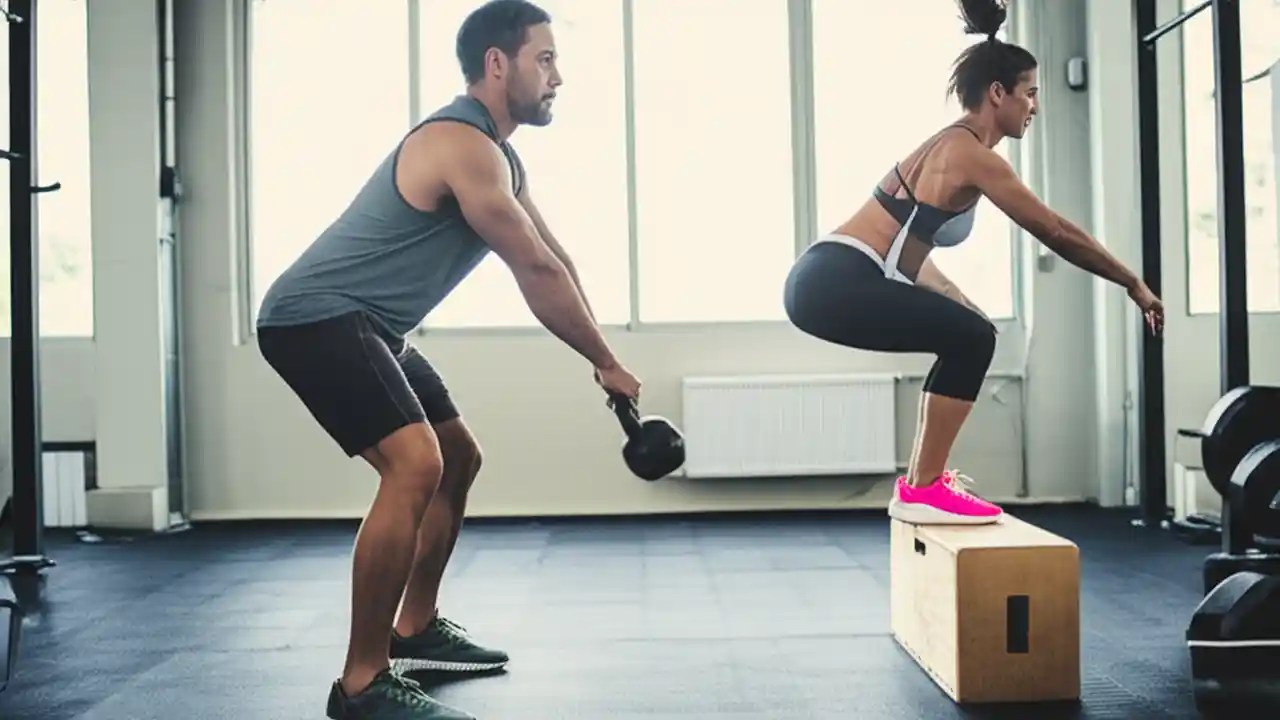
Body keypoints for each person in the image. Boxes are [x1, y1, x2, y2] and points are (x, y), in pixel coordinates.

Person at [255, 2, 641, 718]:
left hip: (373, 326)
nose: (558, 76)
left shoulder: (500, 155)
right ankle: (362, 683)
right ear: (498, 64)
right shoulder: (459, 144)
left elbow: (554, 258)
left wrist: (602, 359)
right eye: (545, 59)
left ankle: (414, 625)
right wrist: (606, 361)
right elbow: (533, 270)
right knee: (416, 463)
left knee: (457, 457)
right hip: (316, 317)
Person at [783, 0, 1164, 527]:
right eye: (1030, 94)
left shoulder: (947, 146)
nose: (1035, 106)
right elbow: (1054, 230)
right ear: (997, 94)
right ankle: (924, 488)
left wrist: (958, 302)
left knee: (969, 330)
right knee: (972, 339)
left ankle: (921, 486)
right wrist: (1132, 282)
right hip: (836, 279)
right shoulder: (971, 155)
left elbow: (906, 252)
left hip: (827, 277)